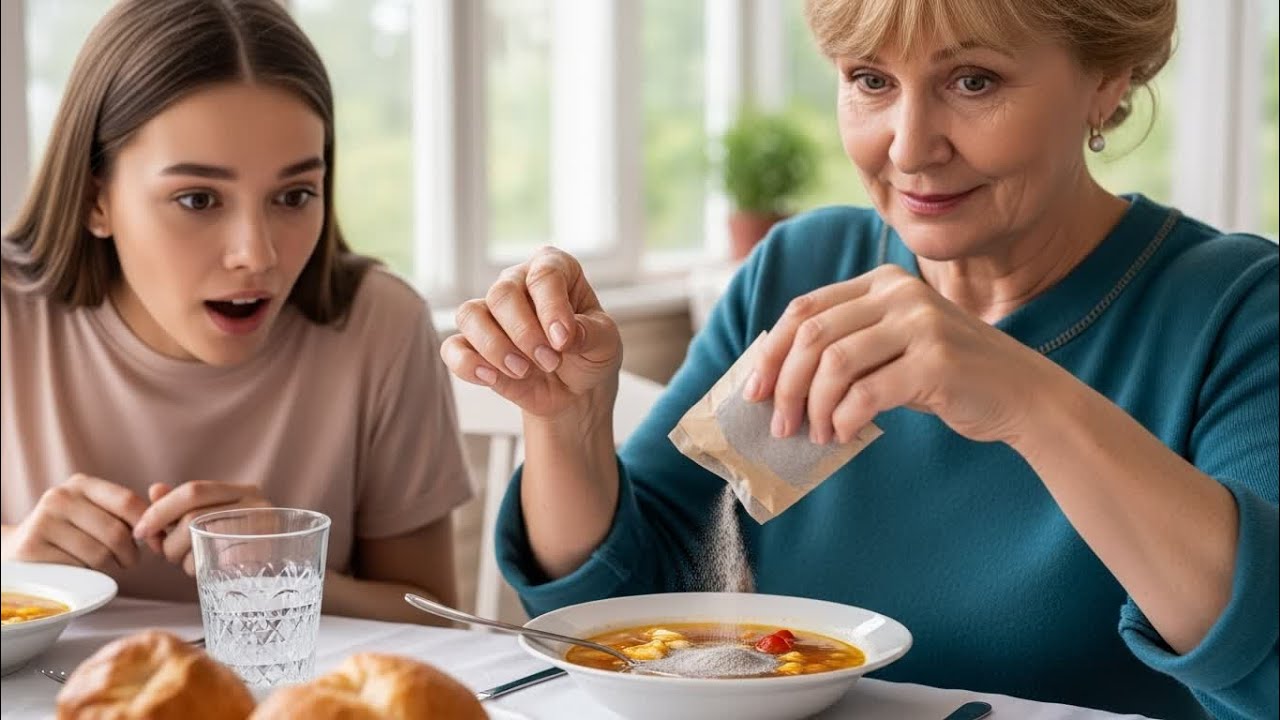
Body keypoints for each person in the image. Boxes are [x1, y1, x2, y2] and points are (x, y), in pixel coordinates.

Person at [443, 0, 1278, 717]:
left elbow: (1264, 663)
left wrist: (1024, 398)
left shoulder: (1237, 308)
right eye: (870, 80)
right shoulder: (806, 273)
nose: (909, 148)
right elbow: (619, 621)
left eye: (973, 81)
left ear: (1110, 76)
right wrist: (567, 421)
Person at [1, 0, 471, 626]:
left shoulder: (380, 324)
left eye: (294, 195)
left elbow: (437, 620)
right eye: (198, 199)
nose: (259, 255)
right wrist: (14, 566)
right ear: (96, 200)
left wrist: (290, 570)